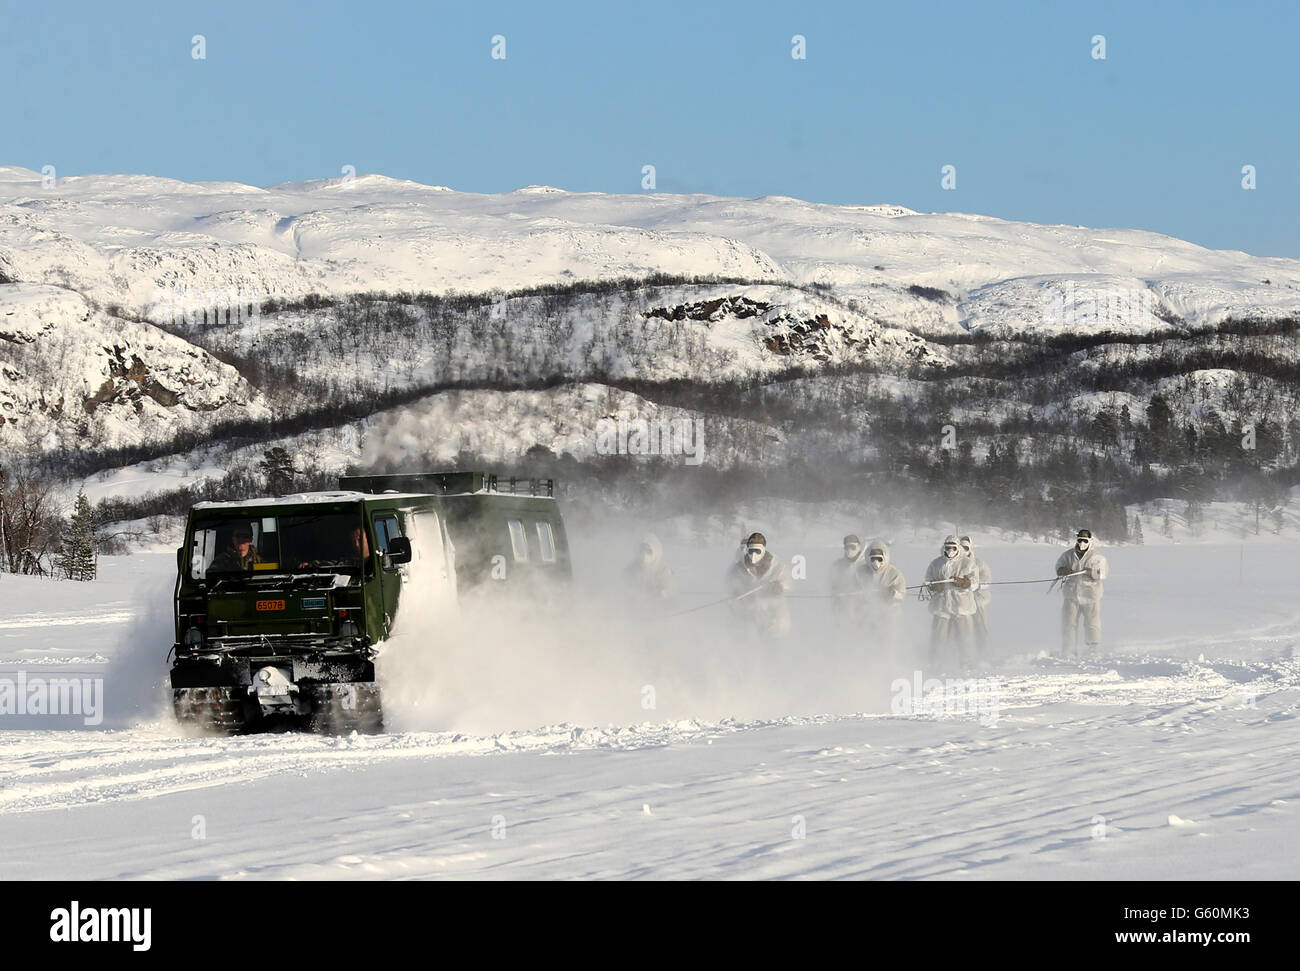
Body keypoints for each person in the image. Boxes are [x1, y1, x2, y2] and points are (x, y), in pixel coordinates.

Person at [923, 534, 979, 668]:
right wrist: (933, 586)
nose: (950, 551)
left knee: (965, 638)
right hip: (942, 607)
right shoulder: (936, 563)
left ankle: (967, 664)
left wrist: (965, 583)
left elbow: (976, 583)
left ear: (958, 548)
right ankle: (935, 664)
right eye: (947, 548)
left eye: (953, 548)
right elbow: (927, 581)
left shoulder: (967, 563)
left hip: (962, 607)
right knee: (938, 638)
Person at [727, 531, 792, 638]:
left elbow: (786, 583)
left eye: (757, 550)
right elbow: (730, 584)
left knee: (773, 638)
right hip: (747, 617)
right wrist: (736, 593)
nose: (753, 554)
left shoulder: (777, 566)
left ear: (763, 550)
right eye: (751, 550)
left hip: (773, 617)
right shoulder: (738, 568)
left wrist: (779, 586)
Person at [1055, 528, 1108, 656]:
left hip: (1091, 596)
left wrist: (1092, 572)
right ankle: (1069, 649)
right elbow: (1058, 567)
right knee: (1068, 623)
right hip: (1071, 596)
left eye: (1084, 540)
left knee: (1092, 623)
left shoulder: (1098, 557)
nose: (1081, 543)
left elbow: (1103, 574)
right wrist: (1063, 570)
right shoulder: (1067, 555)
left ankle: (1093, 648)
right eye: (1079, 540)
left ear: (1090, 541)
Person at [860, 539, 906, 647]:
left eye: (879, 559)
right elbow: (852, 589)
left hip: (888, 615)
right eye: (873, 559)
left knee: (886, 642)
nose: (876, 562)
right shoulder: (860, 572)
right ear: (868, 558)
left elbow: (902, 595)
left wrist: (893, 593)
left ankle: (887, 661)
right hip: (867, 614)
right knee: (867, 642)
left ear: (885, 557)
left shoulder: (894, 573)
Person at [960, 534, 993, 655]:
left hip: (977, 600)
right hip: (960, 602)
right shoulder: (955, 563)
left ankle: (984, 651)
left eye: (966, 547)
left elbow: (987, 581)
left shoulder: (979, 563)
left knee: (980, 625)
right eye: (961, 547)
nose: (963, 550)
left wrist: (977, 586)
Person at [828, 534, 866, 626]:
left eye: (853, 547)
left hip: (863, 608)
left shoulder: (867, 563)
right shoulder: (838, 565)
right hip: (843, 608)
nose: (849, 550)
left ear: (859, 547)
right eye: (847, 547)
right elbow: (832, 584)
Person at [625, 533, 676, 599]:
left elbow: (670, 586)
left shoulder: (662, 568)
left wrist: (663, 592)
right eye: (642, 550)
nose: (644, 555)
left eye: (648, 551)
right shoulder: (632, 568)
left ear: (656, 552)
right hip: (636, 603)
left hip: (658, 603)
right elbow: (624, 583)